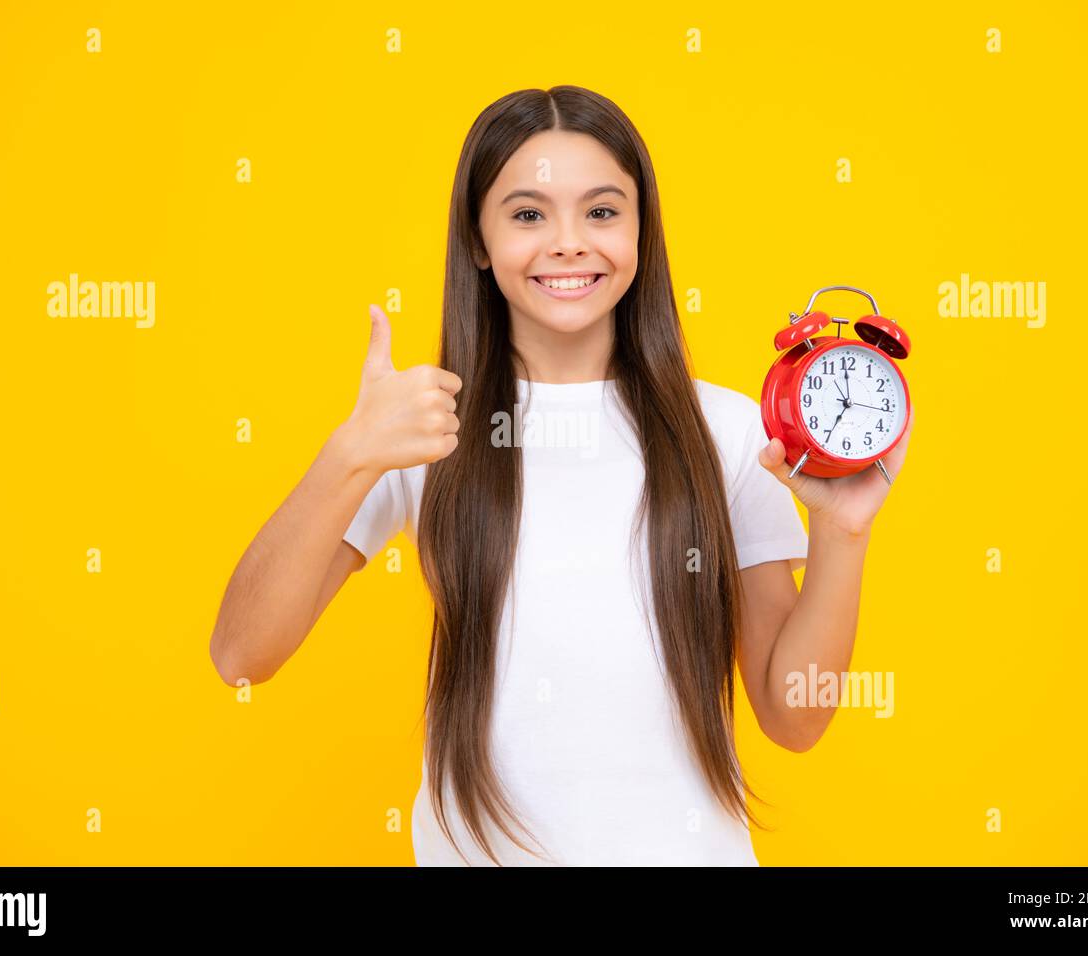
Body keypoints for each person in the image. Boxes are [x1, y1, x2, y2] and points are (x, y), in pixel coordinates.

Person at [209, 84, 914, 866]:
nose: (569, 242)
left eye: (602, 211)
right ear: (477, 240)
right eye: (527, 214)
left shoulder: (727, 429)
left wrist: (845, 533)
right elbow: (242, 655)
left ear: (641, 231)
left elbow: (794, 718)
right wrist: (349, 454)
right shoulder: (421, 425)